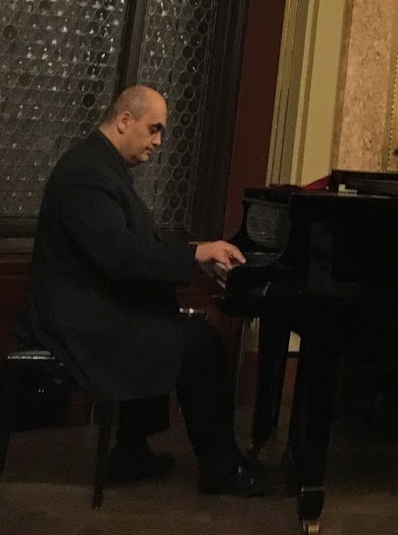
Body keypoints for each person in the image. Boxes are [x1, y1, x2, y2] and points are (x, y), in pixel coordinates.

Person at [19, 85, 267, 495]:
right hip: (78, 321)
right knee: (200, 344)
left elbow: (131, 248)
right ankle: (221, 468)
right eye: (154, 129)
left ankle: (131, 449)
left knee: (161, 318)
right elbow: (118, 255)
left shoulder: (101, 167)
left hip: (91, 309)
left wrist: (195, 256)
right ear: (124, 121)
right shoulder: (87, 173)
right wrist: (196, 253)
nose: (158, 142)